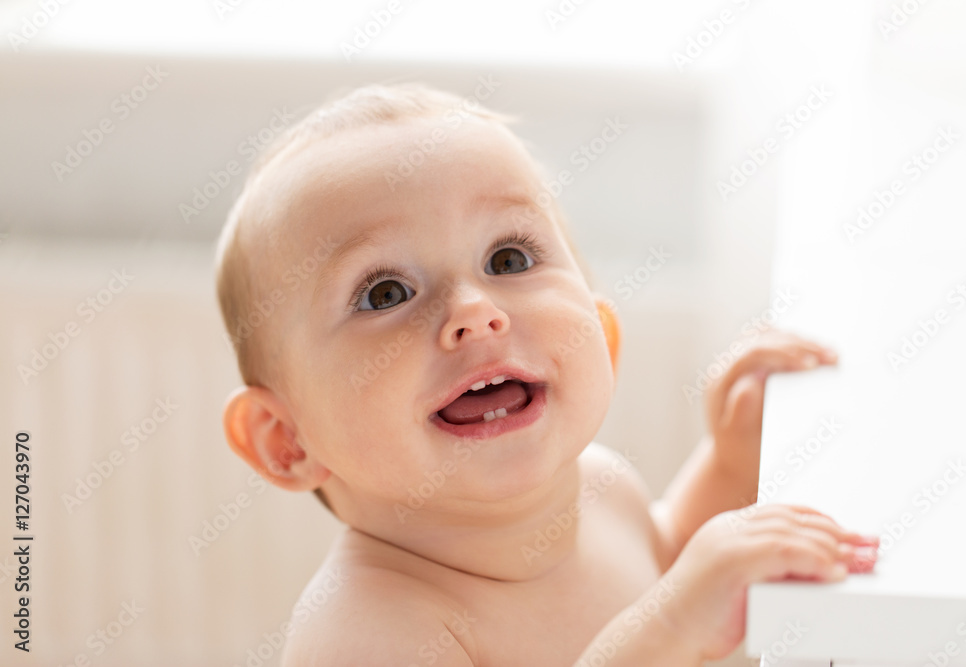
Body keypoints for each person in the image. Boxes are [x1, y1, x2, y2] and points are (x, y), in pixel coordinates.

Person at [214, 83, 878, 666]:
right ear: (285, 439)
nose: (475, 312)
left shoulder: (602, 485)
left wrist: (734, 460)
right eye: (386, 293)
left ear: (603, 337)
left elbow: (667, 561)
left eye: (507, 257)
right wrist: (674, 621)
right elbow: (674, 605)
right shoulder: (368, 630)